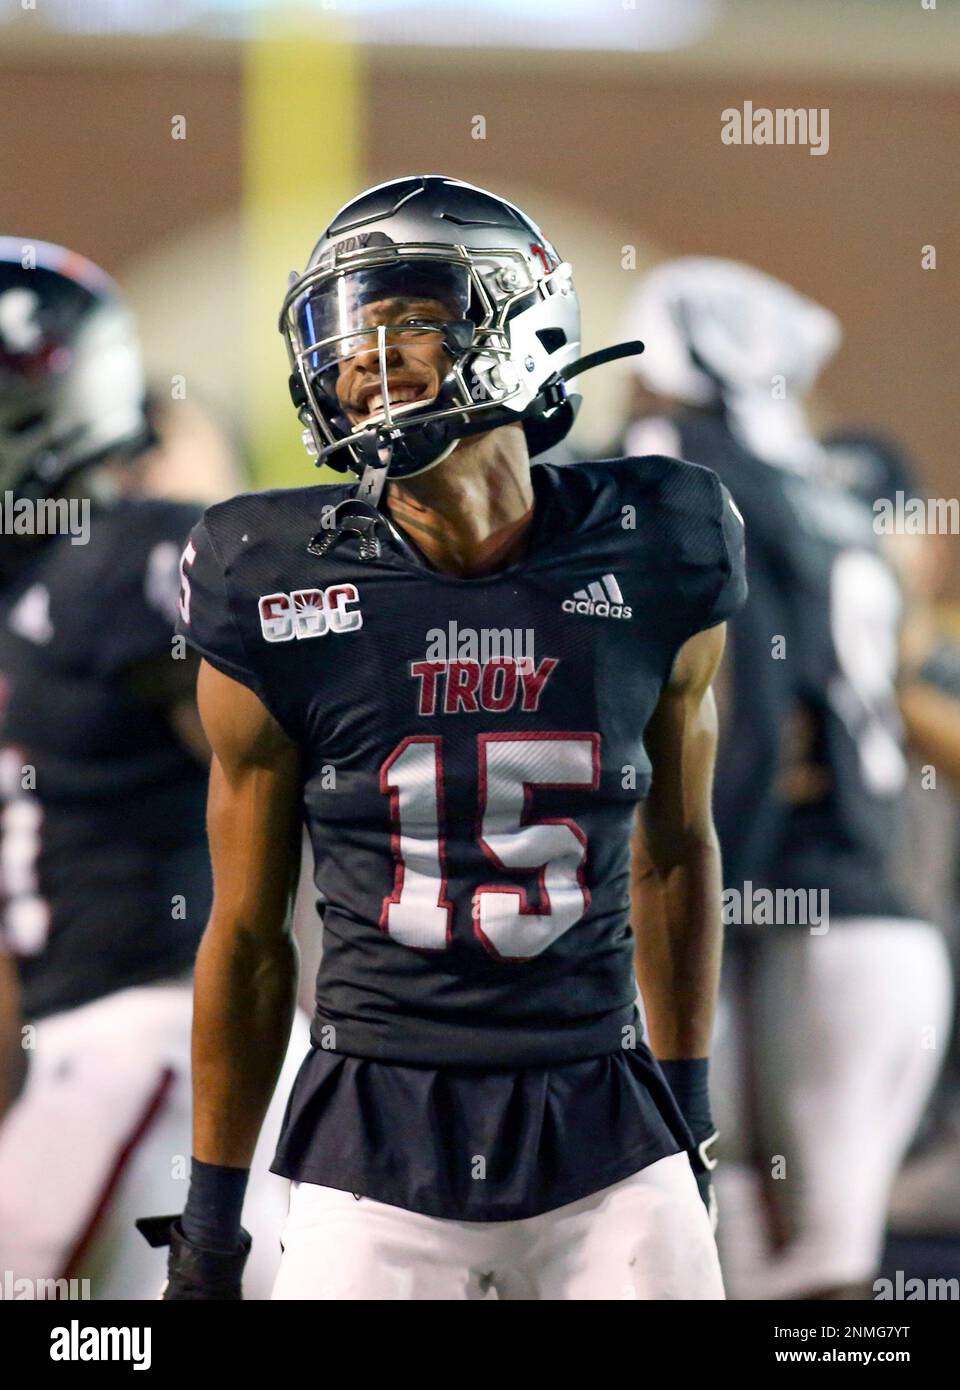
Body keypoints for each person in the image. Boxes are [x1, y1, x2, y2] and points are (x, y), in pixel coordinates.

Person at [151, 174, 747, 1301]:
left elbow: (675, 853)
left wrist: (694, 1115)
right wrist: (212, 1223)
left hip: (609, 1128)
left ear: (521, 319)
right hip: (371, 1144)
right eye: (343, 329)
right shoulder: (270, 576)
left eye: (407, 315)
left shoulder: (662, 540)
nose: (363, 355)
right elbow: (245, 934)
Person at [622, 257, 953, 1299]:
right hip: (873, 918)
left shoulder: (696, 471)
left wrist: (693, 900)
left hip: (806, 914)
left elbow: (753, 729)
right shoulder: (819, 488)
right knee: (796, 1259)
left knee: (779, 1265)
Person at [0, 238, 305, 1299]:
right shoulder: (39, 578)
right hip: (96, 1037)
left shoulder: (130, 554)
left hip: (155, 1037)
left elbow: (296, 732)